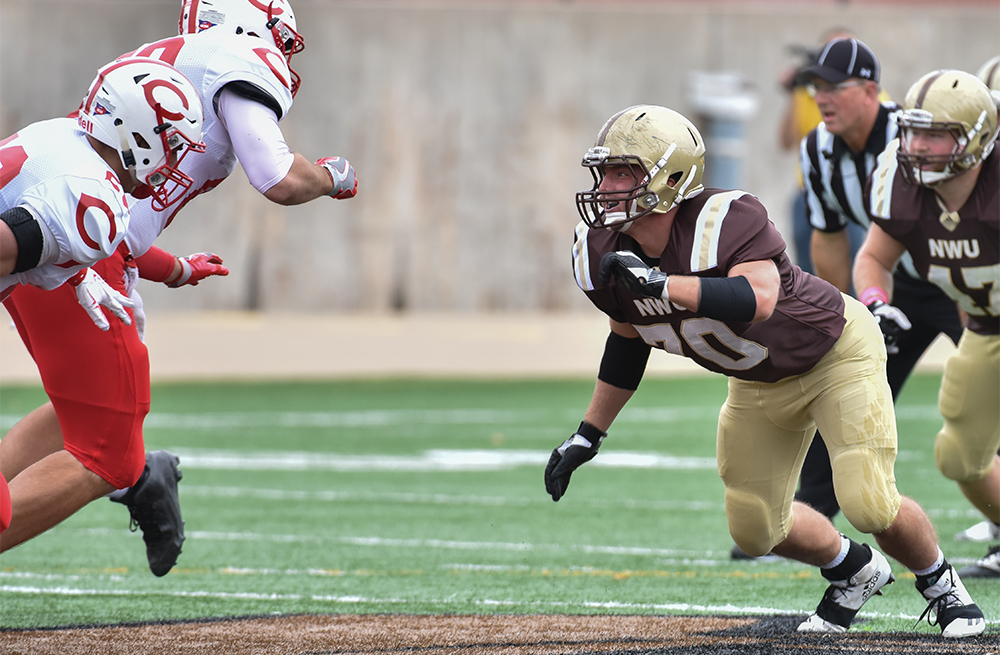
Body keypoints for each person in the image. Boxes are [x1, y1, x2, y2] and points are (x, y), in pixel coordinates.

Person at [547, 104, 985, 637]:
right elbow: (627, 337)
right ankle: (854, 570)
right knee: (755, 528)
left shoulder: (725, 218)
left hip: (835, 353)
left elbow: (758, 298)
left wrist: (662, 283)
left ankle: (943, 585)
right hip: (759, 380)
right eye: (604, 173)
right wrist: (588, 434)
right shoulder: (600, 249)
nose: (606, 187)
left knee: (869, 501)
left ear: (672, 177)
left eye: (623, 172)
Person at [1, 0, 358, 576]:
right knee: (107, 452)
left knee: (104, 412)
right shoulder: (238, 58)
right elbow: (277, 177)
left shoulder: (84, 130)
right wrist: (332, 177)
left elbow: (97, 227)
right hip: (83, 248)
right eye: (171, 142)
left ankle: (138, 473)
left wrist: (169, 269)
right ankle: (140, 476)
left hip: (81, 251)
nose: (175, 160)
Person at [0, 58, 205, 565]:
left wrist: (73, 274)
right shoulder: (94, 197)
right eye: (171, 145)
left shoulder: (59, 135)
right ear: (139, 136)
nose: (173, 161)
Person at [794, 37, 964, 530]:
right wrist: (846, 311)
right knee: (844, 380)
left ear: (870, 91)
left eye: (834, 87)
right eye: (816, 87)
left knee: (984, 392)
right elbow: (828, 234)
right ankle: (808, 515)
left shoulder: (913, 135)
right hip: (892, 283)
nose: (821, 98)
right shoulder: (817, 149)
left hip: (958, 276)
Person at [856, 69, 999, 580]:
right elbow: (874, 257)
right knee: (959, 456)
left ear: (976, 139)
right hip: (986, 327)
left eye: (934, 135)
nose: (916, 146)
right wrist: (876, 303)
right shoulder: (900, 184)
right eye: (912, 132)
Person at [778, 27, 867, 277]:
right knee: (804, 277)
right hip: (807, 192)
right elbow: (786, 141)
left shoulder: (868, 91)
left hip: (848, 191)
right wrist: (794, 93)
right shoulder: (808, 93)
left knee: (852, 272)